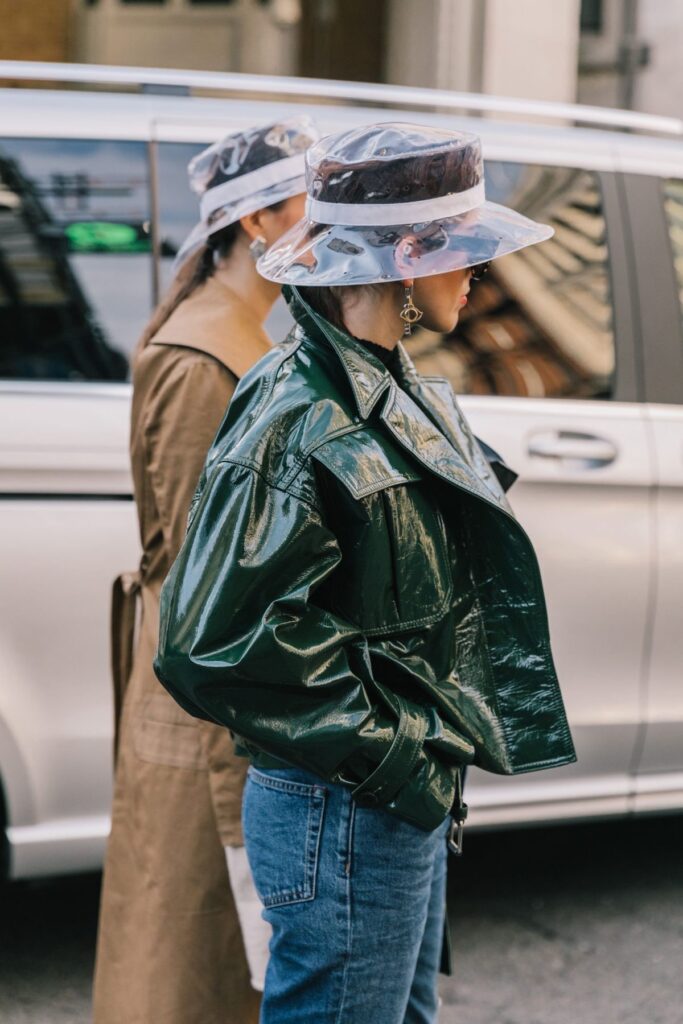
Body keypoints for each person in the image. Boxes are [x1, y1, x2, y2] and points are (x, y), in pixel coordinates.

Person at [154, 122, 577, 1024]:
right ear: (407, 257)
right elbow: (208, 643)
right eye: (463, 248)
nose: (480, 272)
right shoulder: (297, 410)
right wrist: (393, 750)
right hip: (344, 798)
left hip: (380, 791)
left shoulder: (389, 382)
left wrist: (410, 754)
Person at [92, 116, 318, 1024]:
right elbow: (202, 558)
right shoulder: (203, 353)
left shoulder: (245, 331)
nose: (329, 226)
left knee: (211, 930)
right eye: (310, 204)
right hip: (202, 683)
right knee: (181, 928)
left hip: (218, 676)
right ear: (256, 222)